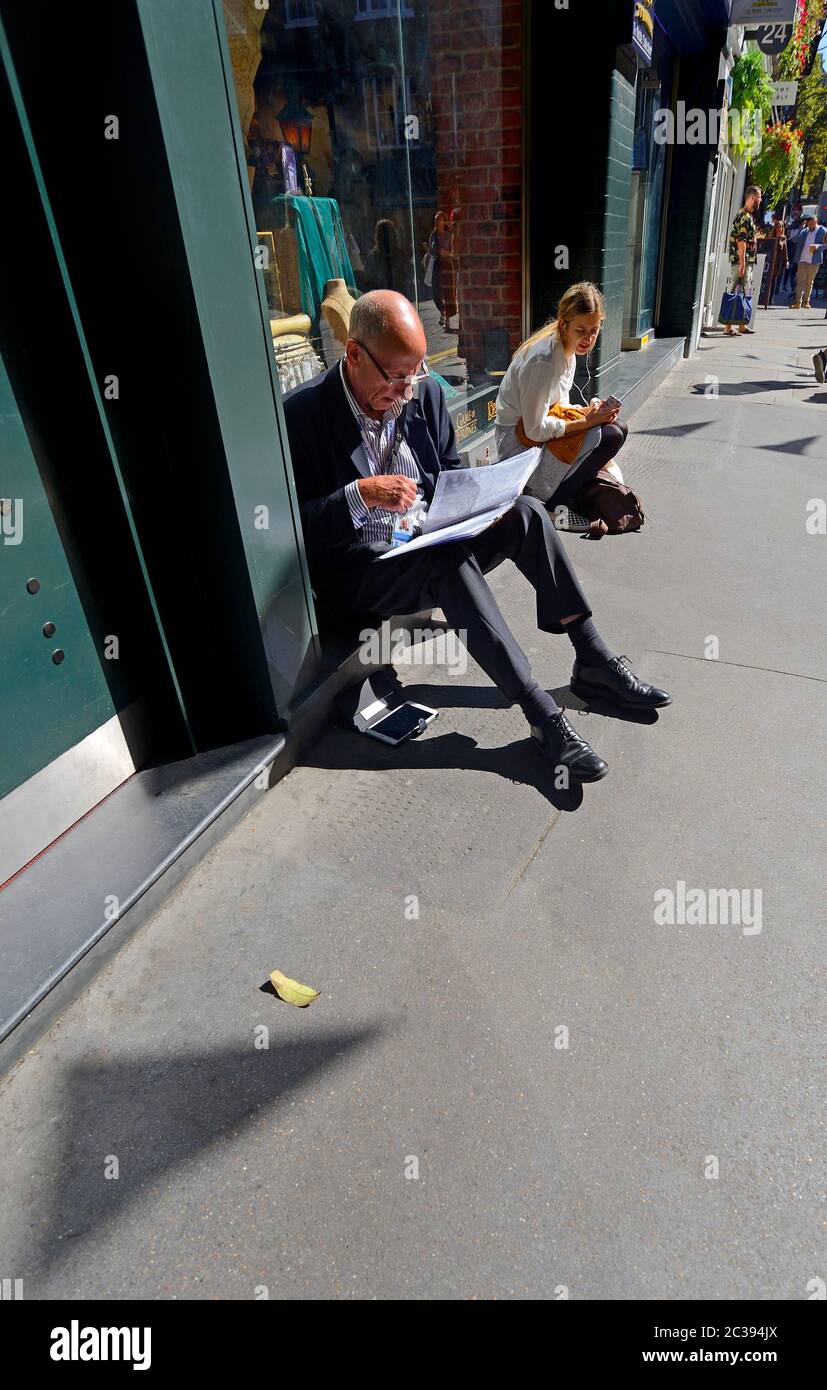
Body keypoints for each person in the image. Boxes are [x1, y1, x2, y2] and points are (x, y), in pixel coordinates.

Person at [282, 290, 671, 784]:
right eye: (396, 376)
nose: (407, 389)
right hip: (364, 570)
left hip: (429, 534)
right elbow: (293, 529)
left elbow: (448, 471)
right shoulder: (302, 417)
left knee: (527, 512)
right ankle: (542, 714)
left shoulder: (421, 394)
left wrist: (481, 505)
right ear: (354, 354)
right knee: (444, 562)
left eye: (416, 372)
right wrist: (359, 495)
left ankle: (592, 660)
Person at [494, 282, 626, 510]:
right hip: (518, 446)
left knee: (618, 428)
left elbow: (558, 406)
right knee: (612, 434)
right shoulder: (543, 361)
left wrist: (588, 411)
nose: (588, 338)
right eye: (581, 330)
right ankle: (551, 499)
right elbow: (533, 430)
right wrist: (586, 421)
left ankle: (567, 488)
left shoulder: (567, 350)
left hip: (535, 434)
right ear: (564, 324)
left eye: (594, 330)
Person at [721, 185, 761, 337]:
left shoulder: (745, 215)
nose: (760, 200)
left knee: (744, 292)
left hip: (744, 261)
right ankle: (728, 327)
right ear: (752, 198)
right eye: (759, 197)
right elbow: (741, 241)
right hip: (742, 261)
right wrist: (743, 263)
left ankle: (742, 325)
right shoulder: (744, 217)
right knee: (735, 292)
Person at [362, 219, 413, 299]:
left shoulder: (399, 254)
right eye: (384, 234)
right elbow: (368, 281)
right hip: (384, 299)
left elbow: (407, 277)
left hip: (396, 298)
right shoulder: (373, 256)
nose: (387, 237)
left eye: (388, 234)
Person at [425, 211, 459, 330]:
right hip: (437, 265)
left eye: (439, 219)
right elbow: (430, 250)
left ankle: (448, 321)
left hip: (447, 265)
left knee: (449, 294)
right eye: (436, 220)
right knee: (436, 294)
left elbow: (455, 253)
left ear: (444, 221)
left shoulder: (449, 235)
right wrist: (432, 251)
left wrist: (447, 253)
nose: (437, 222)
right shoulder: (433, 236)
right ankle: (442, 312)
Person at [792, 215, 826, 308]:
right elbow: (795, 240)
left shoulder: (822, 231)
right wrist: (800, 229)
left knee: (809, 282)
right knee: (800, 281)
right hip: (802, 259)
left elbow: (826, 245)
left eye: (811, 224)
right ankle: (797, 302)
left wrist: (817, 247)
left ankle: (806, 302)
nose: (810, 226)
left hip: (814, 260)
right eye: (808, 224)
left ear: (816, 222)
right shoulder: (804, 231)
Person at [767, 213, 788, 303]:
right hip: (770, 260)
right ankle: (765, 297)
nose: (779, 229)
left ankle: (771, 299)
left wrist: (786, 261)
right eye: (778, 227)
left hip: (778, 262)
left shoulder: (783, 238)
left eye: (781, 227)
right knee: (768, 279)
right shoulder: (771, 236)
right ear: (775, 228)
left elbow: (785, 251)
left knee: (774, 280)